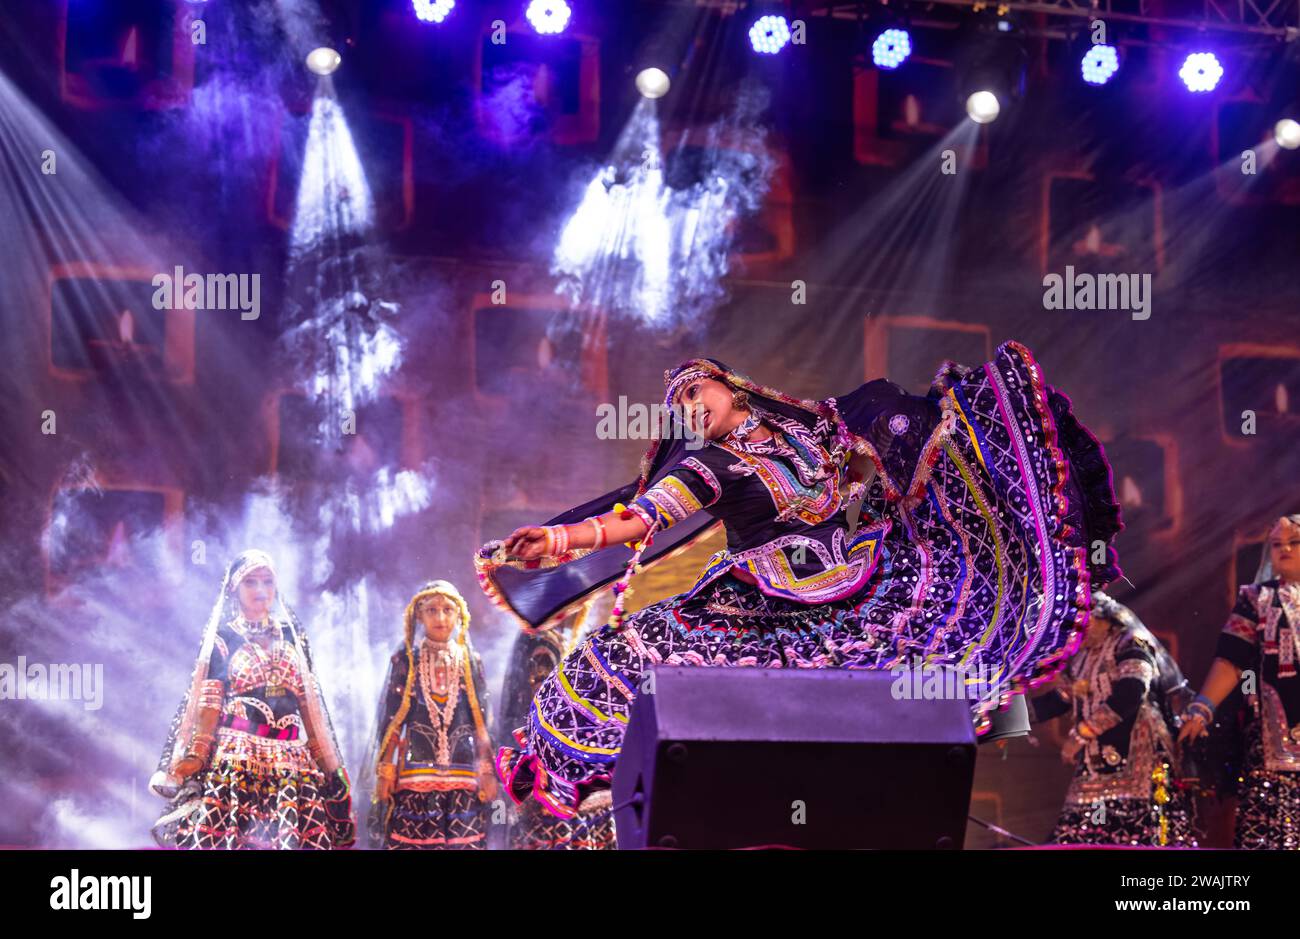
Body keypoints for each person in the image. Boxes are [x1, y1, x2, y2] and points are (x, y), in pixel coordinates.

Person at [476, 341, 1124, 821]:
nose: (688, 411)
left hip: (853, 578)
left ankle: (988, 729)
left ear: (727, 385)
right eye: (678, 408)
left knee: (933, 647)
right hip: (756, 600)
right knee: (624, 655)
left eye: (693, 394)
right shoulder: (707, 467)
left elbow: (875, 443)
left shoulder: (814, 425)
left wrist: (898, 465)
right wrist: (561, 540)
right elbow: (641, 517)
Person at [149, 549, 355, 849]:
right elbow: (210, 700)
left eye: (268, 582)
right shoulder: (224, 637)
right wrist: (196, 754)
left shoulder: (292, 635)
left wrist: (328, 763)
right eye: (251, 583)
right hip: (237, 759)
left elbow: (308, 702)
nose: (261, 590)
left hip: (292, 762)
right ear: (234, 589)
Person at [1031, 591, 1198, 846]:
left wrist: (1081, 734)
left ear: (1100, 617)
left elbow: (1131, 693)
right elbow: (1063, 698)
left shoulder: (1131, 643)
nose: (1072, 635)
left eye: (1077, 625)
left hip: (1139, 758)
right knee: (1073, 836)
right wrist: (1014, 717)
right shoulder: (1083, 657)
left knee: (1142, 836)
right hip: (1095, 765)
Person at [1179, 513, 1300, 849]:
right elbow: (1231, 660)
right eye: (1277, 545)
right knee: (1270, 834)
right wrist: (1202, 707)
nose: (1284, 549)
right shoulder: (1256, 599)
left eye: (1294, 542)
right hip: (1274, 749)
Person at [371, 580, 497, 849]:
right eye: (431, 610)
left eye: (448, 610)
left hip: (463, 776)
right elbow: (392, 719)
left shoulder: (470, 661)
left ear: (459, 614)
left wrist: (487, 771)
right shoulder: (405, 660)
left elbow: (481, 723)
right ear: (419, 615)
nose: (440, 617)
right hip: (415, 776)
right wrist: (386, 771)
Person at [495, 600, 617, 848]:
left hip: (570, 748)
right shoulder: (541, 643)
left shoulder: (569, 638)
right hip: (554, 750)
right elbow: (544, 701)